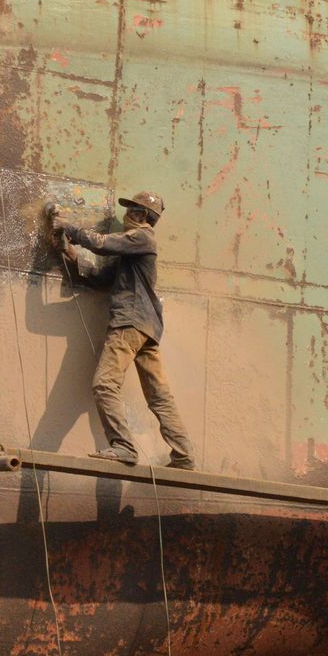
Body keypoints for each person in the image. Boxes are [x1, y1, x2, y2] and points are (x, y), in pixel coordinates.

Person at [49, 191, 195, 469]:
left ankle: (123, 447)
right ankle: (184, 455)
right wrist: (70, 253)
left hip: (129, 323)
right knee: (159, 396)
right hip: (147, 329)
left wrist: (69, 228)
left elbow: (102, 244)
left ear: (142, 215)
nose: (126, 215)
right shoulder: (132, 250)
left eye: (131, 210)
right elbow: (100, 279)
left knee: (104, 384)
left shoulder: (142, 237)